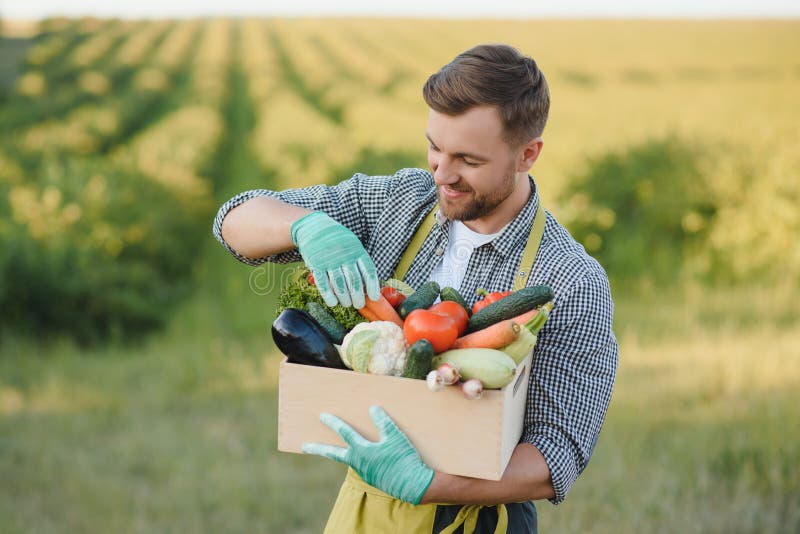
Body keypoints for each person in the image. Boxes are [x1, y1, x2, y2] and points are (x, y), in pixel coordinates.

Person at [213, 43, 618, 533]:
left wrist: (426, 483)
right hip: (364, 507)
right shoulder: (398, 201)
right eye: (434, 148)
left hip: (480, 520)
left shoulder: (572, 280)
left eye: (467, 159)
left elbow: (556, 455)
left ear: (527, 153)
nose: (442, 174)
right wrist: (308, 227)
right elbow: (235, 220)